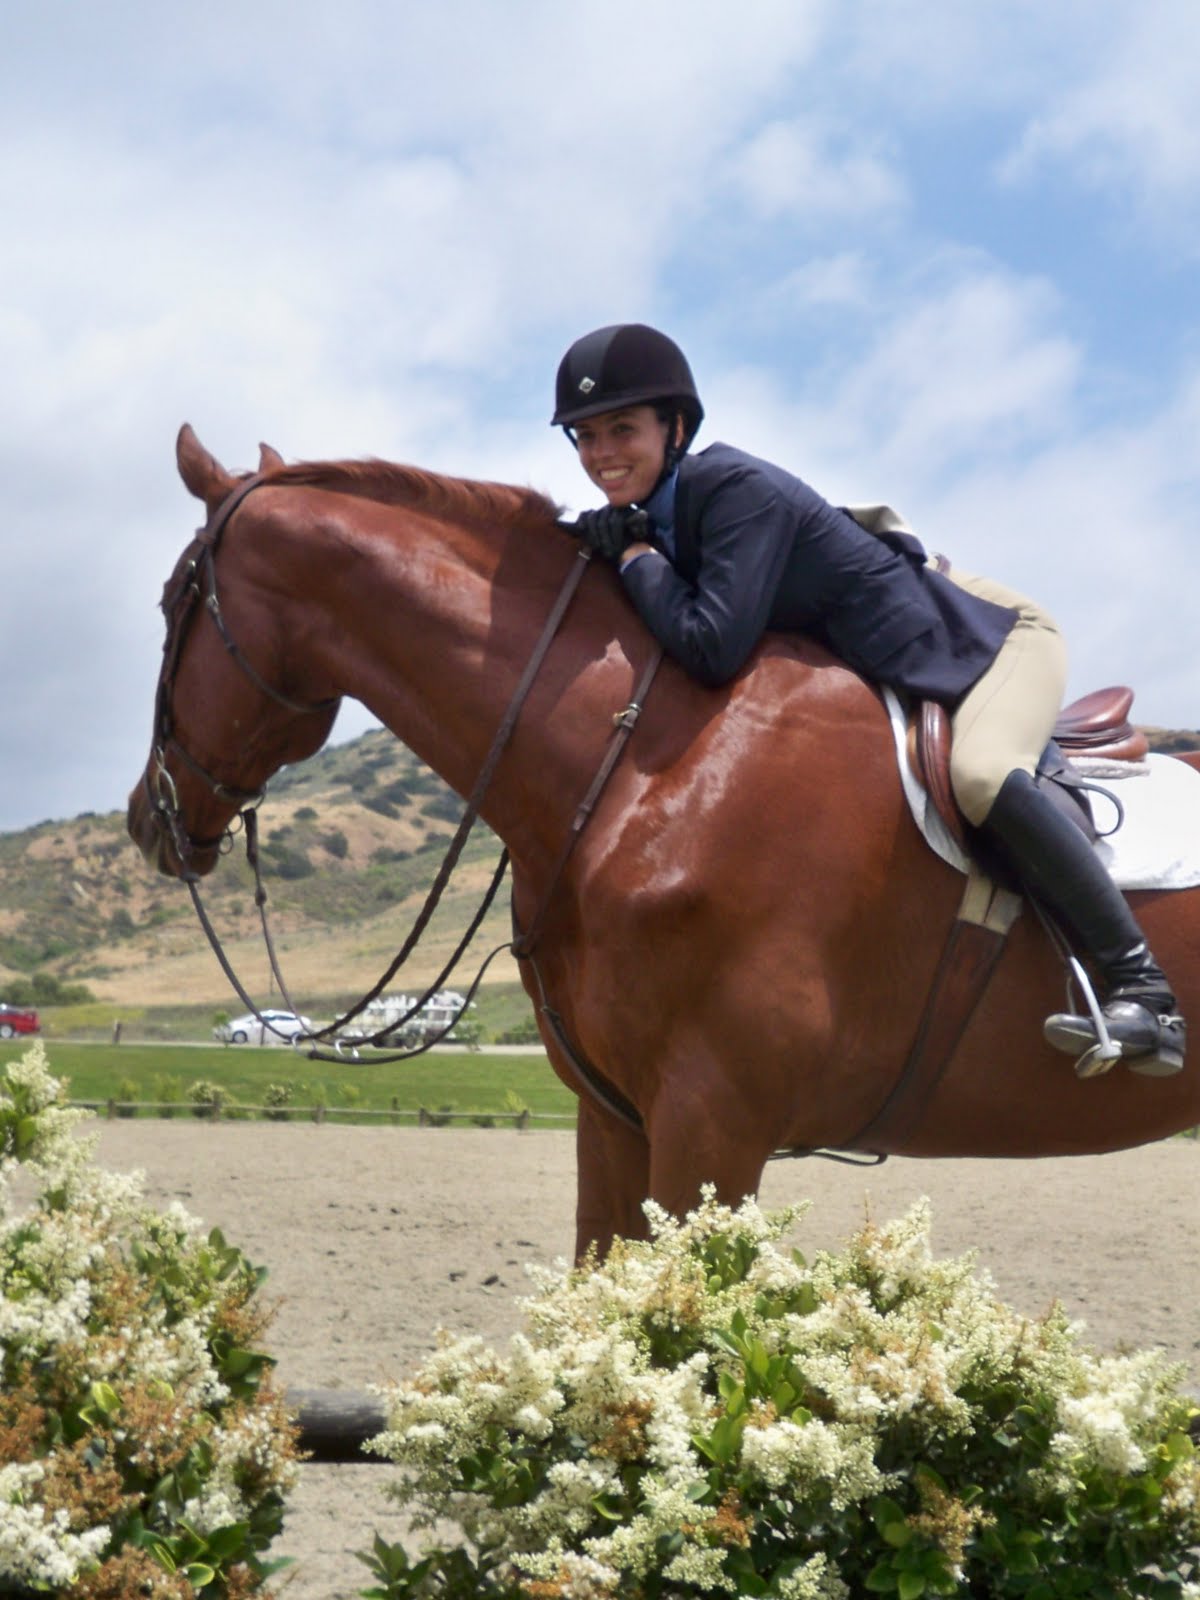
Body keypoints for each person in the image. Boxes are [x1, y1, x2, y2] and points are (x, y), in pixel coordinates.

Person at [551, 322, 1185, 1078]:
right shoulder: (657, 514)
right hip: (914, 657)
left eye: (622, 429)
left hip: (990, 644)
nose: (601, 455)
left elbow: (711, 647)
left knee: (982, 776)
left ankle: (1146, 992)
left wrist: (632, 557)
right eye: (585, 438)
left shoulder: (730, 488)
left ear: (676, 427)